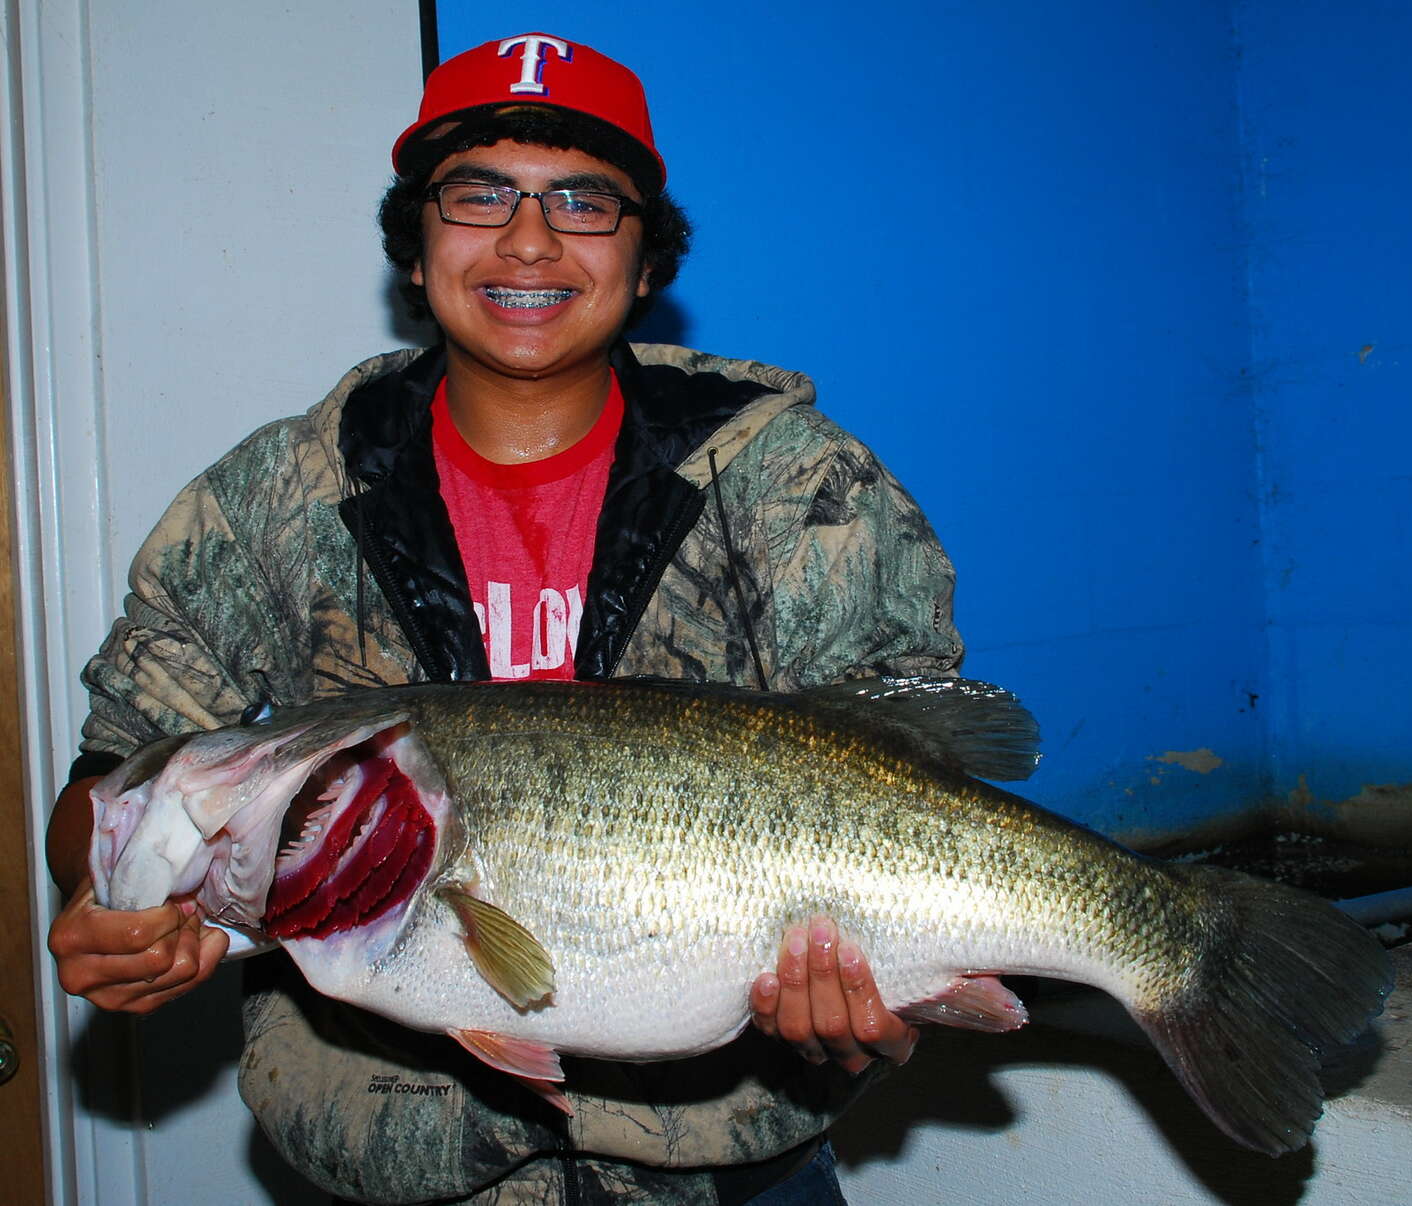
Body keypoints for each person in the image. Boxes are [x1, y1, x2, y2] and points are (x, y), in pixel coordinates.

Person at [46, 32, 966, 1204]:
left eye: (585, 200)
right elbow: (110, 776)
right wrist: (114, 898)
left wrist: (867, 1001)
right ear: (416, 246)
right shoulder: (267, 502)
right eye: (478, 193)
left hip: (737, 1173)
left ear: (645, 261)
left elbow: (918, 773)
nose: (528, 241)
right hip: (386, 1163)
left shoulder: (798, 487)